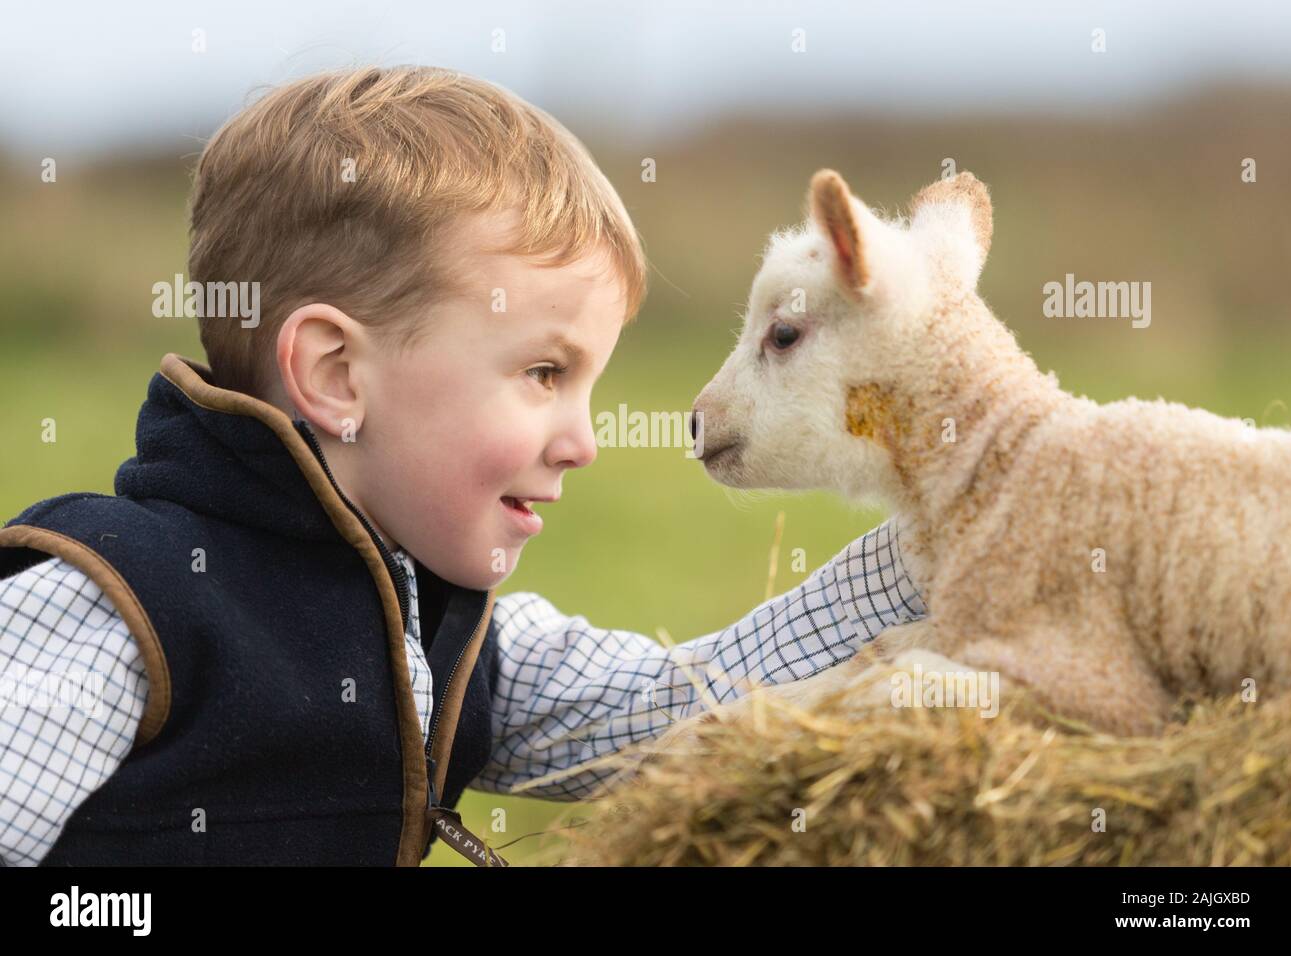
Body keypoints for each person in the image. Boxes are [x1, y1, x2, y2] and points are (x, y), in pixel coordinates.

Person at [0, 66, 925, 867]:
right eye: (543, 373)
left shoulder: (449, 641)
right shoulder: (111, 609)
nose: (584, 441)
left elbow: (678, 708)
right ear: (335, 374)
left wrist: (938, 543)